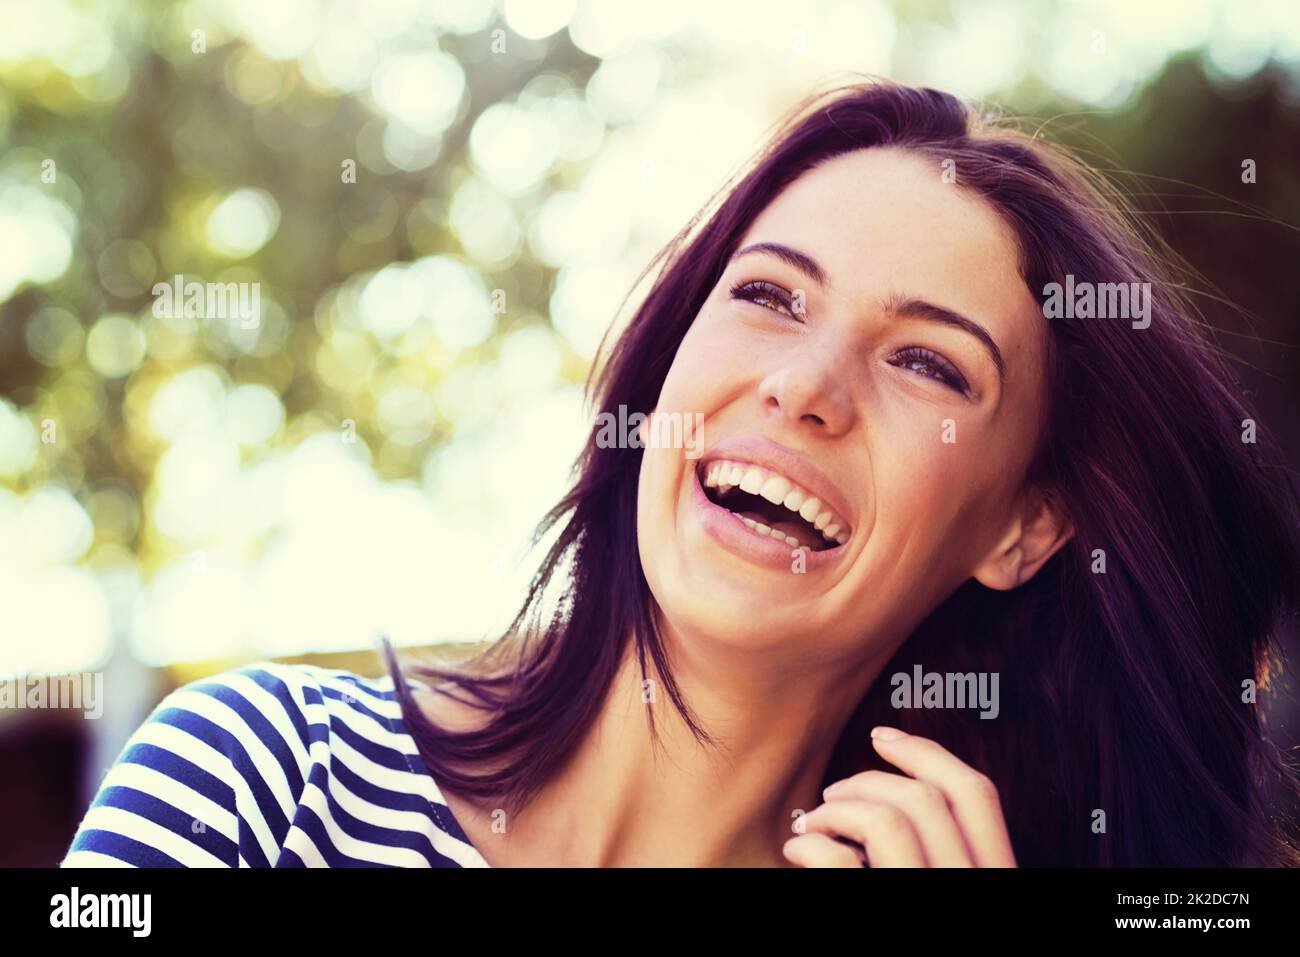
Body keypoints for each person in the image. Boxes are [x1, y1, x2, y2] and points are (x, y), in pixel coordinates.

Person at [64, 79, 1300, 868]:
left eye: (927, 363)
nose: (804, 387)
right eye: (767, 295)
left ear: (1024, 529)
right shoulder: (255, 780)